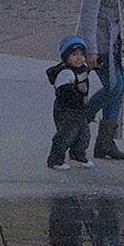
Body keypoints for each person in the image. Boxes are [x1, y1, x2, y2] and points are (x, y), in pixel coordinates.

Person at [77, 0, 124, 160]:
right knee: (115, 86)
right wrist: (91, 49)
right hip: (100, 42)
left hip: (121, 41)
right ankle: (80, 119)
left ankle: (105, 142)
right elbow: (88, 14)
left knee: (119, 90)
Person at [46, 36, 94, 171]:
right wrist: (76, 90)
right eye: (74, 55)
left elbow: (88, 70)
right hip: (66, 109)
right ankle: (55, 158)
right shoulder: (66, 73)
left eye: (81, 54)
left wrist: (97, 64)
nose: (79, 58)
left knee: (84, 133)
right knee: (66, 134)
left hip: (79, 109)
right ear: (66, 57)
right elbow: (62, 92)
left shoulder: (82, 68)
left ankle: (77, 153)